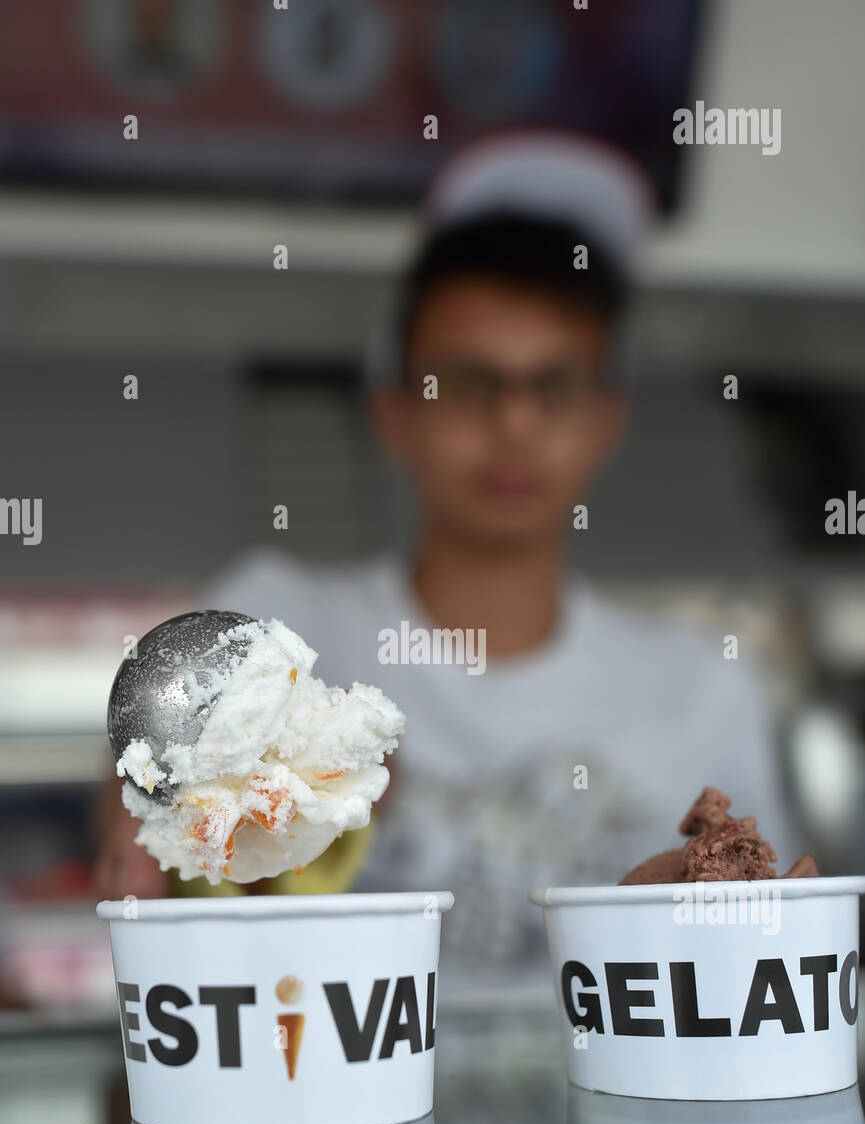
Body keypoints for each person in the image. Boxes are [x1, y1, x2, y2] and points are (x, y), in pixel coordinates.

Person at [96, 135, 799, 981]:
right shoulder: (279, 622)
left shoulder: (706, 690)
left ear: (606, 418)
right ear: (395, 411)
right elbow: (142, 798)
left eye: (555, 384)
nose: (514, 425)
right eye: (468, 383)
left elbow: (774, 957)